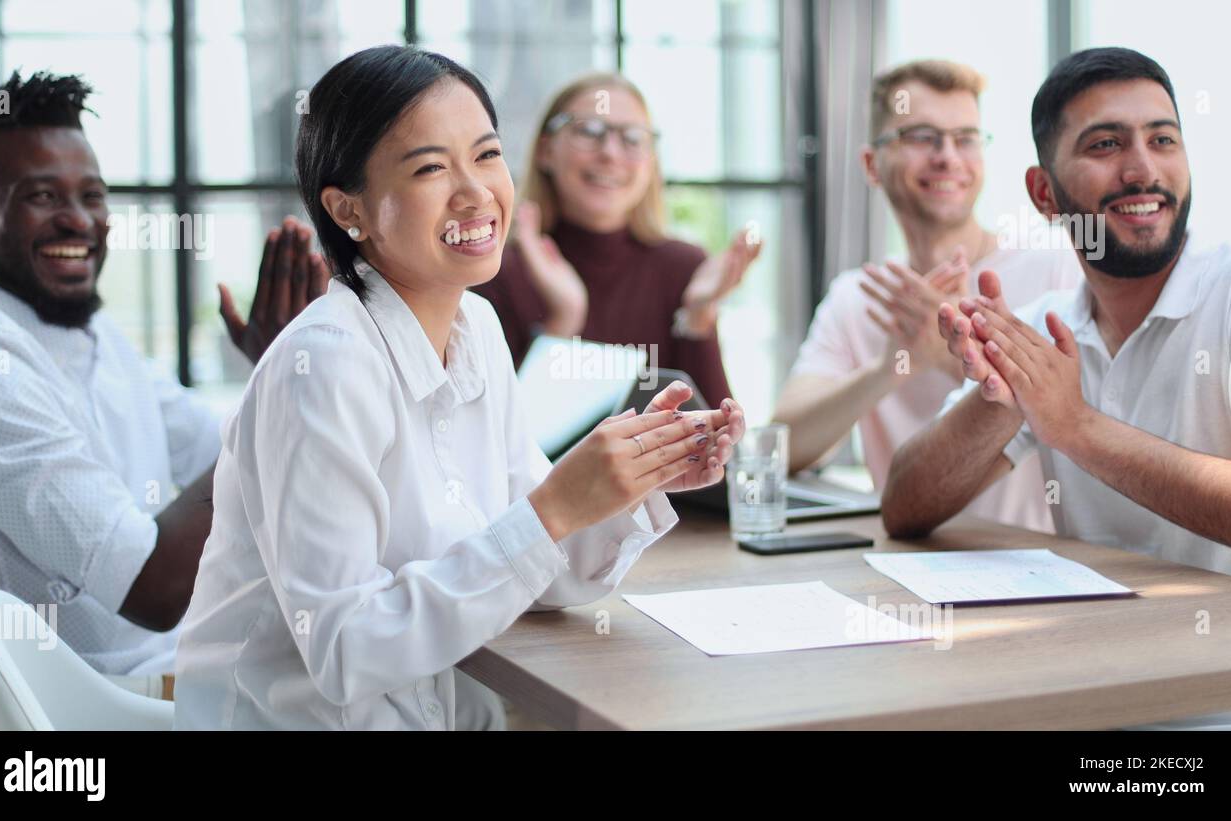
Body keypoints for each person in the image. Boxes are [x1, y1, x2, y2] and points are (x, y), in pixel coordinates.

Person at [173, 46, 746, 731]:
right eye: (430, 168)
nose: (475, 191)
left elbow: (539, 574)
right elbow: (346, 648)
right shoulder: (323, 367)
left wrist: (631, 483)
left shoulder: (476, 325)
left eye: (485, 154)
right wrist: (553, 509)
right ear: (348, 209)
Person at [883, 48, 1231, 730]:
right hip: (1092, 700)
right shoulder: (1045, 327)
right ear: (1044, 193)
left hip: (1229, 707)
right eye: (1106, 144)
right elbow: (905, 506)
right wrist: (998, 399)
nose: (1142, 168)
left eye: (1163, 139)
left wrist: (1073, 425)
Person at [0, 63, 325, 684]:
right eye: (43, 196)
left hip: (189, 669)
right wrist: (283, 385)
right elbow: (152, 588)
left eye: (93, 195)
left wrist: (276, 373)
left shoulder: (89, 332)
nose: (79, 220)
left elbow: (226, 459)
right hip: (109, 702)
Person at [773, 60, 1081, 532]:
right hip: (905, 559)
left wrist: (953, 357)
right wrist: (894, 365)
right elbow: (785, 447)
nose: (947, 157)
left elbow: (1081, 417)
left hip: (1041, 563)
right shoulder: (857, 297)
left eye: (966, 138)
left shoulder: (1053, 266)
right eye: (921, 136)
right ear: (872, 165)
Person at [471, 72, 759, 407]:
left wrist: (698, 315)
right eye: (588, 132)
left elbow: (719, 443)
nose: (610, 153)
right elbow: (494, 441)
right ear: (546, 151)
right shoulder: (497, 269)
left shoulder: (683, 268)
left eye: (633, 138)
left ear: (650, 162)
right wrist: (564, 320)